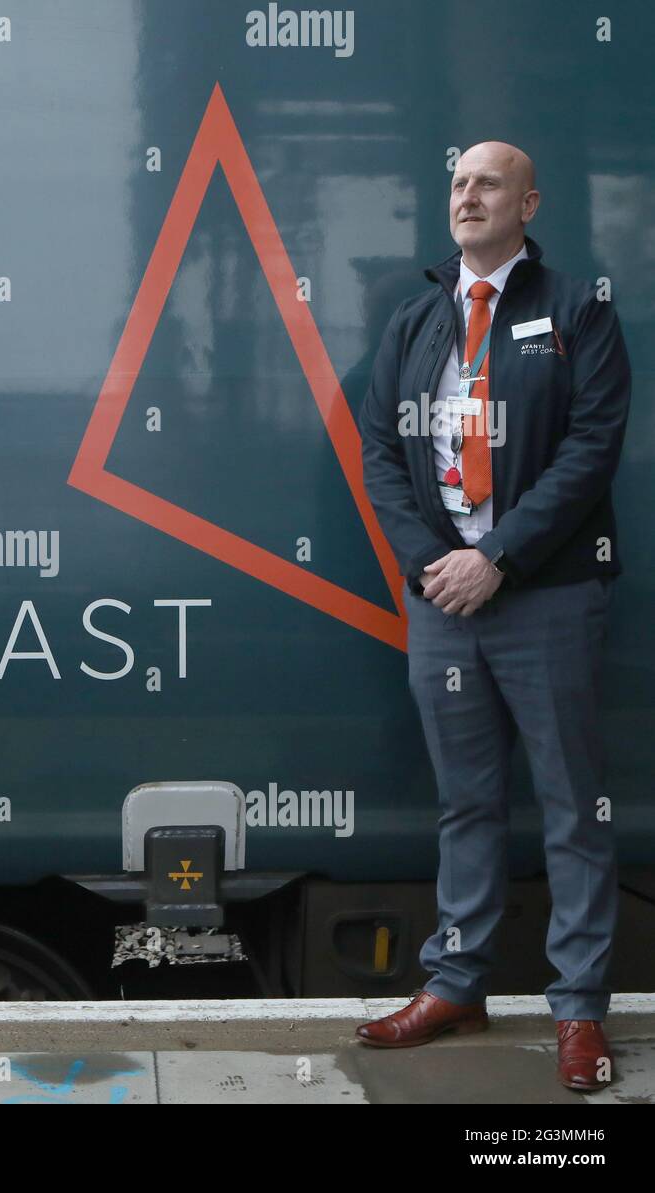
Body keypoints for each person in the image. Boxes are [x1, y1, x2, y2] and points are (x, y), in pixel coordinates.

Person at [354, 141, 632, 1092]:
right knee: (466, 800)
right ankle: (458, 981)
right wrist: (437, 564)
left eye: (488, 184)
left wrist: (498, 558)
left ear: (529, 202)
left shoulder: (579, 312)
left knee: (570, 806)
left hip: (545, 596)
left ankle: (581, 1008)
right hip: (442, 601)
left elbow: (592, 448)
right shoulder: (417, 320)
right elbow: (379, 458)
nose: (468, 197)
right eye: (458, 184)